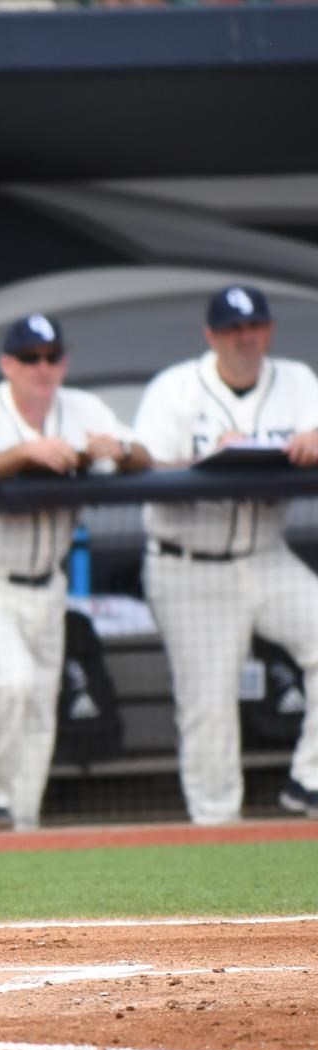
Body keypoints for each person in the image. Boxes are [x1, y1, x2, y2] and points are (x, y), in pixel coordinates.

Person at [0, 314, 150, 832]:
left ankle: (23, 825)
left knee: (39, 707)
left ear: (64, 361)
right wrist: (23, 453)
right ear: (8, 364)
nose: (43, 367)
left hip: (46, 583)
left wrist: (119, 451)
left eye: (52, 356)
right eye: (31, 358)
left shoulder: (82, 408)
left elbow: (145, 457)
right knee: (11, 682)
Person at [133, 285, 318, 825]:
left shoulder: (300, 381)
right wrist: (207, 461)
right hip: (192, 561)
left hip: (265, 553)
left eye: (254, 326)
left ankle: (309, 782)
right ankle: (216, 830)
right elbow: (143, 469)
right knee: (209, 708)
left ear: (269, 330)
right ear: (211, 336)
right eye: (233, 329)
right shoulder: (175, 390)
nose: (246, 337)